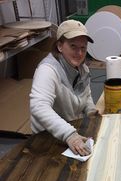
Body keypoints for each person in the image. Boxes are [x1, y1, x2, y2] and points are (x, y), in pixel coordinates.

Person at [30, 20, 99, 156]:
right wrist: (70, 135)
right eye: (73, 46)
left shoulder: (82, 68)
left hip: (71, 129)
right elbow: (38, 106)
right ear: (60, 46)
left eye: (83, 48)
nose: (79, 53)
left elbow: (86, 94)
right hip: (47, 139)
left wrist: (91, 111)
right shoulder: (47, 70)